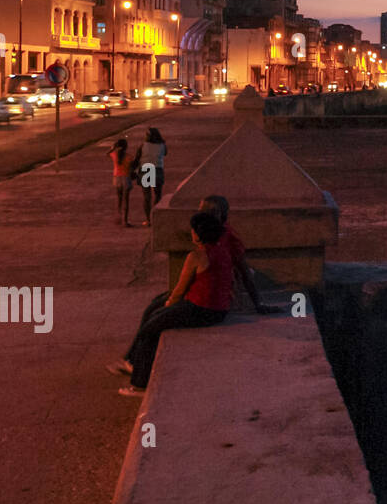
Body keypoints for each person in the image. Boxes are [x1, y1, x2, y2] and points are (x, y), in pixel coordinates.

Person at [107, 212, 232, 395]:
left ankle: (140, 384)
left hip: (199, 309)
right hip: (218, 308)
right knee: (154, 310)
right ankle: (134, 363)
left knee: (150, 329)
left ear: (197, 233)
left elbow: (179, 291)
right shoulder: (221, 250)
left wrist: (168, 305)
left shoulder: (196, 256)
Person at [198, 194, 280, 314]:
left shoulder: (228, 237)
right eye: (200, 211)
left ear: (220, 215)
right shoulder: (203, 230)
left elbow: (244, 271)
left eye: (207, 211)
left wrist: (259, 304)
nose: (201, 215)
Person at [138, 127, 167, 225]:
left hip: (146, 169)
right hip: (157, 170)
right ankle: (155, 215)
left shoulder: (143, 145)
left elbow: (137, 157)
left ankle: (148, 219)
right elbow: (165, 153)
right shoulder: (162, 145)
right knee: (158, 195)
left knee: (147, 197)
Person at [109, 138, 136, 226]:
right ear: (126, 147)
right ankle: (125, 221)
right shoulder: (129, 157)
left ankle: (118, 217)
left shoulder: (114, 155)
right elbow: (132, 166)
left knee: (119, 199)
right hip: (126, 178)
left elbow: (107, 153)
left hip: (116, 178)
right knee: (126, 200)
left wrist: (113, 147)